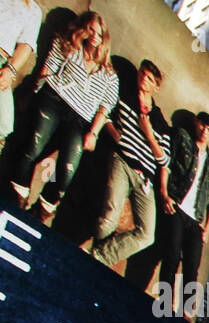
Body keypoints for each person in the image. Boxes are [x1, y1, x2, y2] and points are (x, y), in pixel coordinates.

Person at [10, 11, 117, 222]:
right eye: (90, 30)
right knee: (34, 145)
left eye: (99, 33)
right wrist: (31, 94)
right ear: (82, 29)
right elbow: (46, 70)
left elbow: (105, 107)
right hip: (54, 99)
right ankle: (17, 200)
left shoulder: (109, 74)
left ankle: (40, 210)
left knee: (66, 171)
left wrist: (93, 133)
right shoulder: (68, 45)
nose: (94, 36)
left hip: (79, 119)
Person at [90, 60, 171, 273]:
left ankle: (98, 256)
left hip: (146, 179)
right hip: (123, 161)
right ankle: (91, 255)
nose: (145, 79)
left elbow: (164, 160)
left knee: (147, 235)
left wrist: (148, 132)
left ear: (157, 87)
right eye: (143, 74)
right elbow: (104, 111)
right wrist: (113, 133)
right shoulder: (124, 94)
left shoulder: (160, 121)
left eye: (151, 79)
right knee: (109, 218)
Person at [139, 110, 209, 317]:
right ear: (196, 124)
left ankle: (186, 311)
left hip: (195, 219)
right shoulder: (181, 138)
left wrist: (207, 229)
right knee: (171, 255)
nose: (204, 131)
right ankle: (166, 304)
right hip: (176, 205)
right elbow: (166, 165)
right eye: (202, 125)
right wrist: (164, 193)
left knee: (192, 266)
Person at [0, 0, 41, 151]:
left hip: (3, 64)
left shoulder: (34, 11)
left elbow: (26, 45)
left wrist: (10, 70)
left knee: (3, 124)